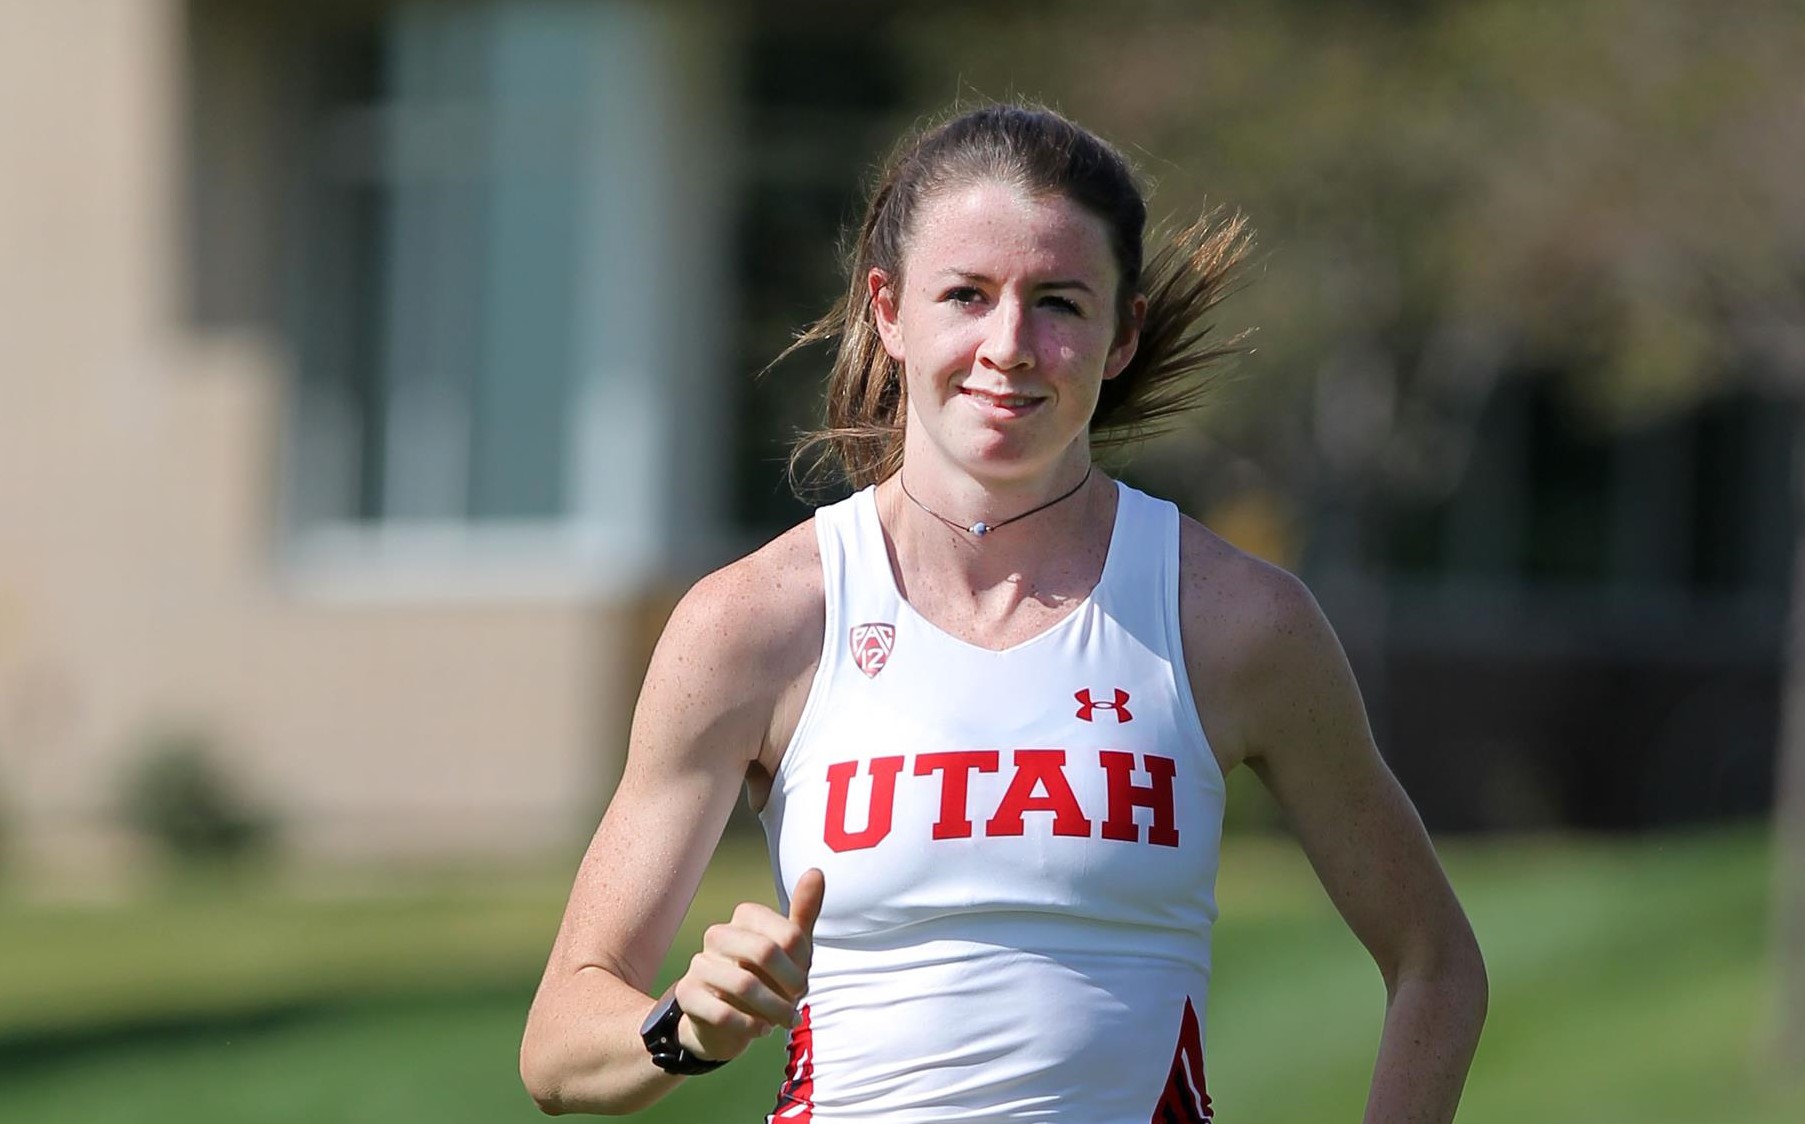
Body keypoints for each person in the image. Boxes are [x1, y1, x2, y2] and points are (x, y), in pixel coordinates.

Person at [520, 103, 1486, 1122]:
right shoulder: (755, 620)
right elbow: (557, 1046)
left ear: (1123, 333)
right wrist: (680, 1024)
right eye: (966, 295)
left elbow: (1434, 963)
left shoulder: (1234, 619)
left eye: (1059, 301)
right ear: (888, 310)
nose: (1010, 344)